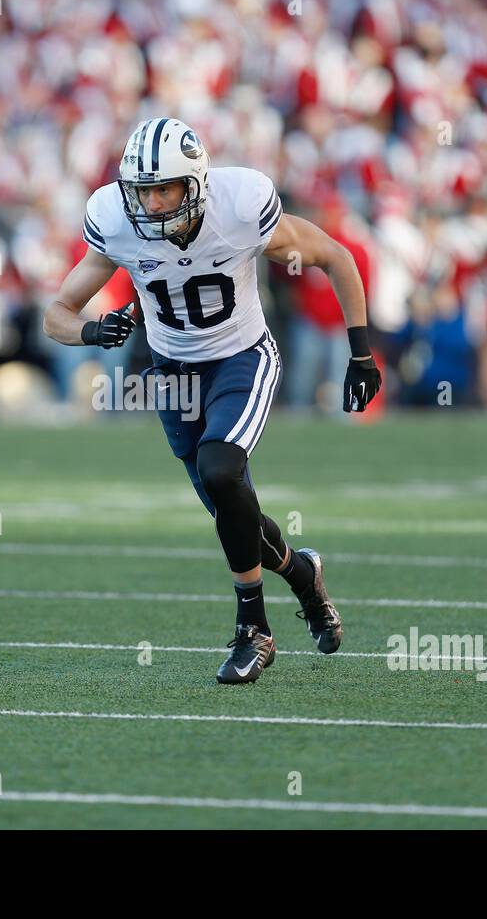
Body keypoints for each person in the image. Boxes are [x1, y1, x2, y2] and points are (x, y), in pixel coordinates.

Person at [42, 118, 381, 684]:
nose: (150, 203)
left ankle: (255, 630)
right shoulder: (117, 222)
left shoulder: (240, 206)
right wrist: (94, 331)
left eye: (164, 188)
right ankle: (304, 576)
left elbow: (335, 257)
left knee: (221, 468)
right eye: (142, 190)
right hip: (172, 371)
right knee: (234, 510)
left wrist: (361, 353)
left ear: (196, 183)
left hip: (240, 358)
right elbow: (57, 314)